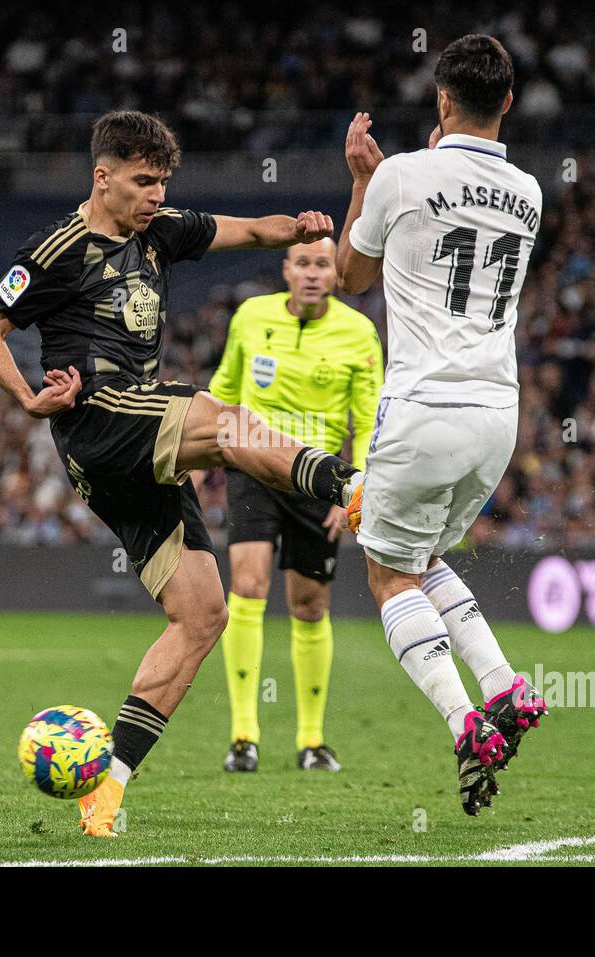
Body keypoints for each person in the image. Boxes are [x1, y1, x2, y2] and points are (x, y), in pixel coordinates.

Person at [0, 110, 363, 837]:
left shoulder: (163, 230)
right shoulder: (56, 250)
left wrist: (301, 226)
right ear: (103, 177)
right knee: (226, 421)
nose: (156, 195)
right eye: (144, 181)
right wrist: (25, 397)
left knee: (203, 613)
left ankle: (106, 791)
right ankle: (349, 486)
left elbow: (252, 231)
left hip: (135, 444)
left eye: (163, 183)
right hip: (100, 419)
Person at [334, 35, 547, 816]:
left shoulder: (400, 175)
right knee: (422, 557)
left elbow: (350, 276)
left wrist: (365, 181)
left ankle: (466, 723)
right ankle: (505, 684)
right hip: (497, 414)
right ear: (509, 102)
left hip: (424, 406)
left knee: (387, 572)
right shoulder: (530, 191)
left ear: (442, 99)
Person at [207, 237, 383, 773]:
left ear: (335, 275)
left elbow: (370, 421)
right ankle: (243, 736)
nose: (311, 273)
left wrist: (352, 493)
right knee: (248, 585)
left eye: (322, 264)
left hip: (318, 482)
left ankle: (311, 740)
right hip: (254, 468)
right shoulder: (250, 318)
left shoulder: (359, 334)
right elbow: (223, 392)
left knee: (309, 605)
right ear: (286, 269)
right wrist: (201, 456)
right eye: (302, 263)